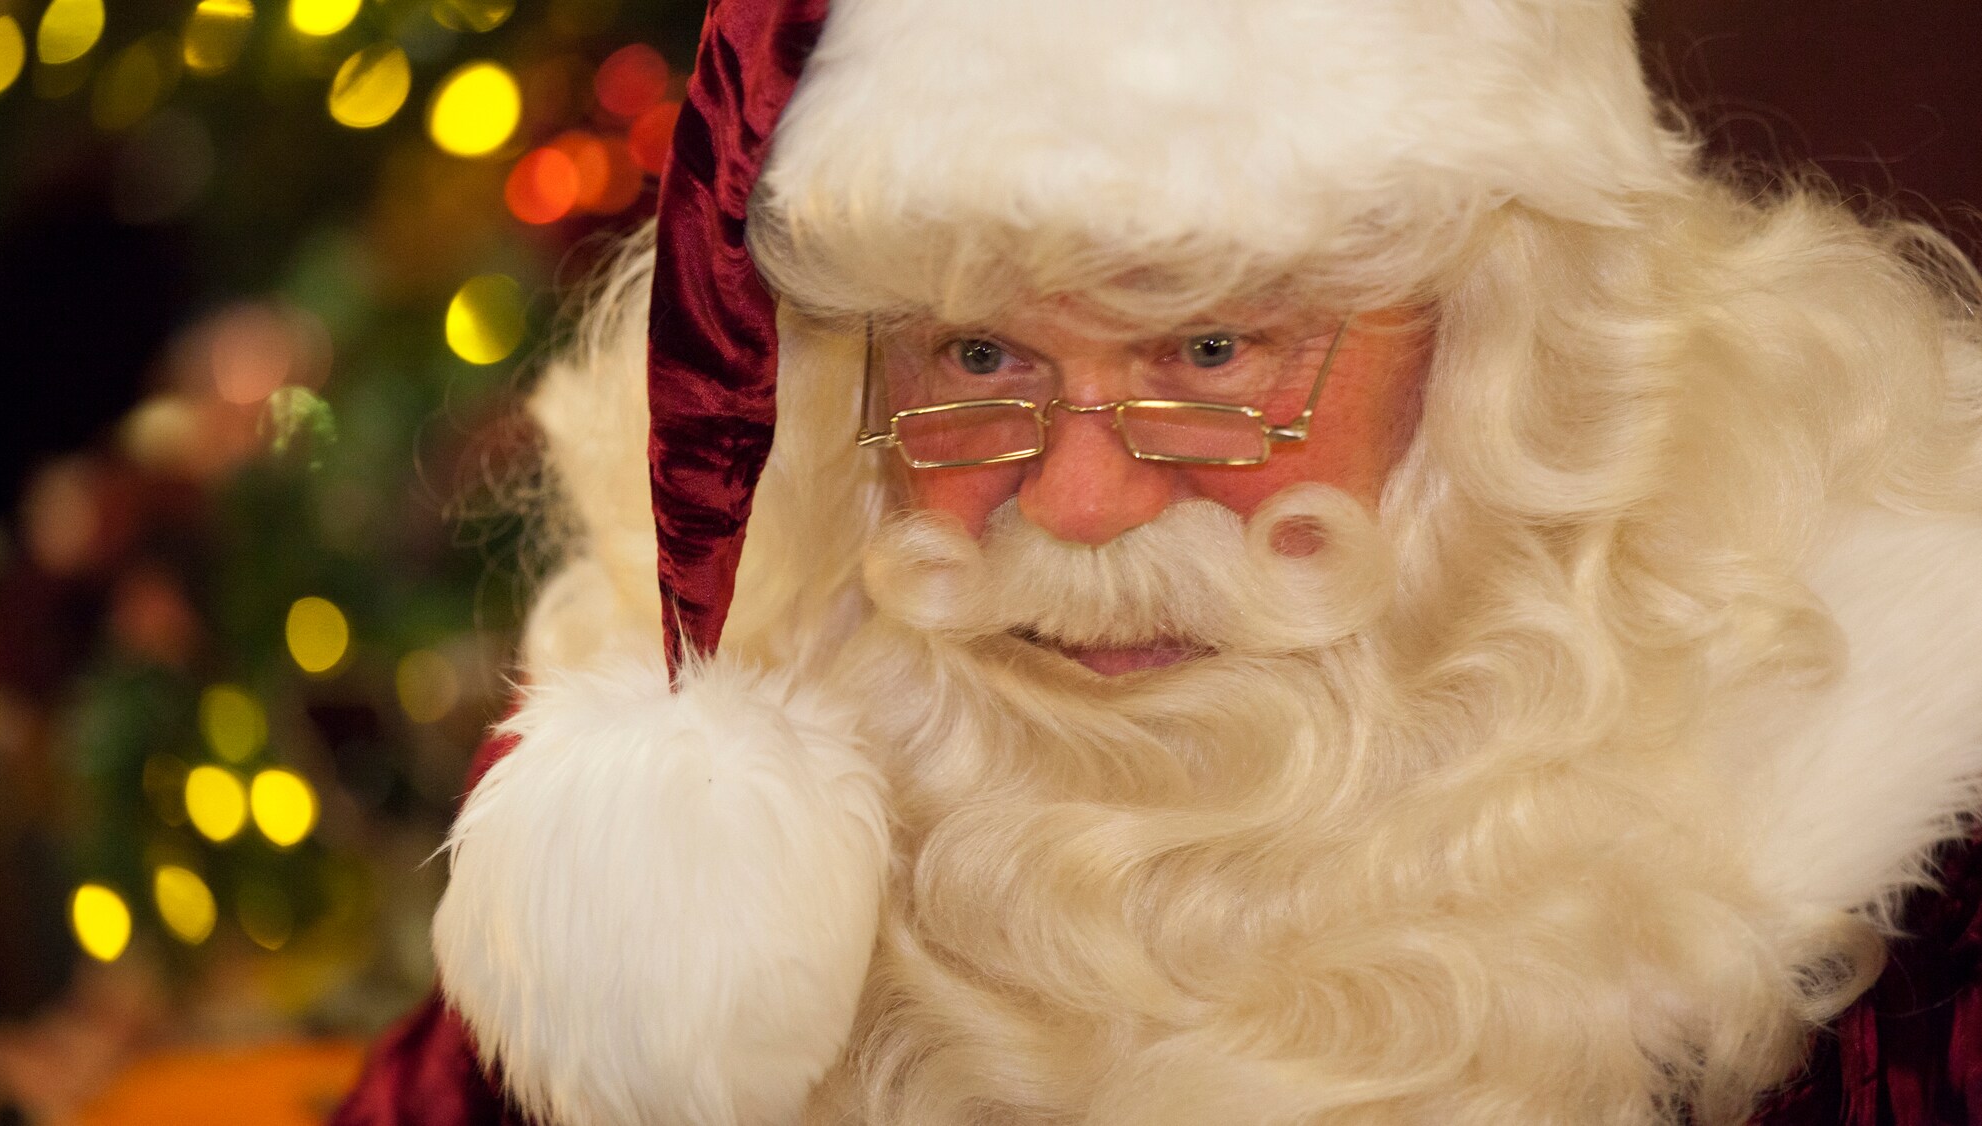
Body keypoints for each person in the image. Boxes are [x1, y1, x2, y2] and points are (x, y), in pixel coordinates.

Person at [336, 0, 1982, 1123]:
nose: (1079, 500)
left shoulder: (1889, 895)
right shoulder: (692, 802)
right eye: (976, 356)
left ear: (1507, 343)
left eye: (1210, 348)